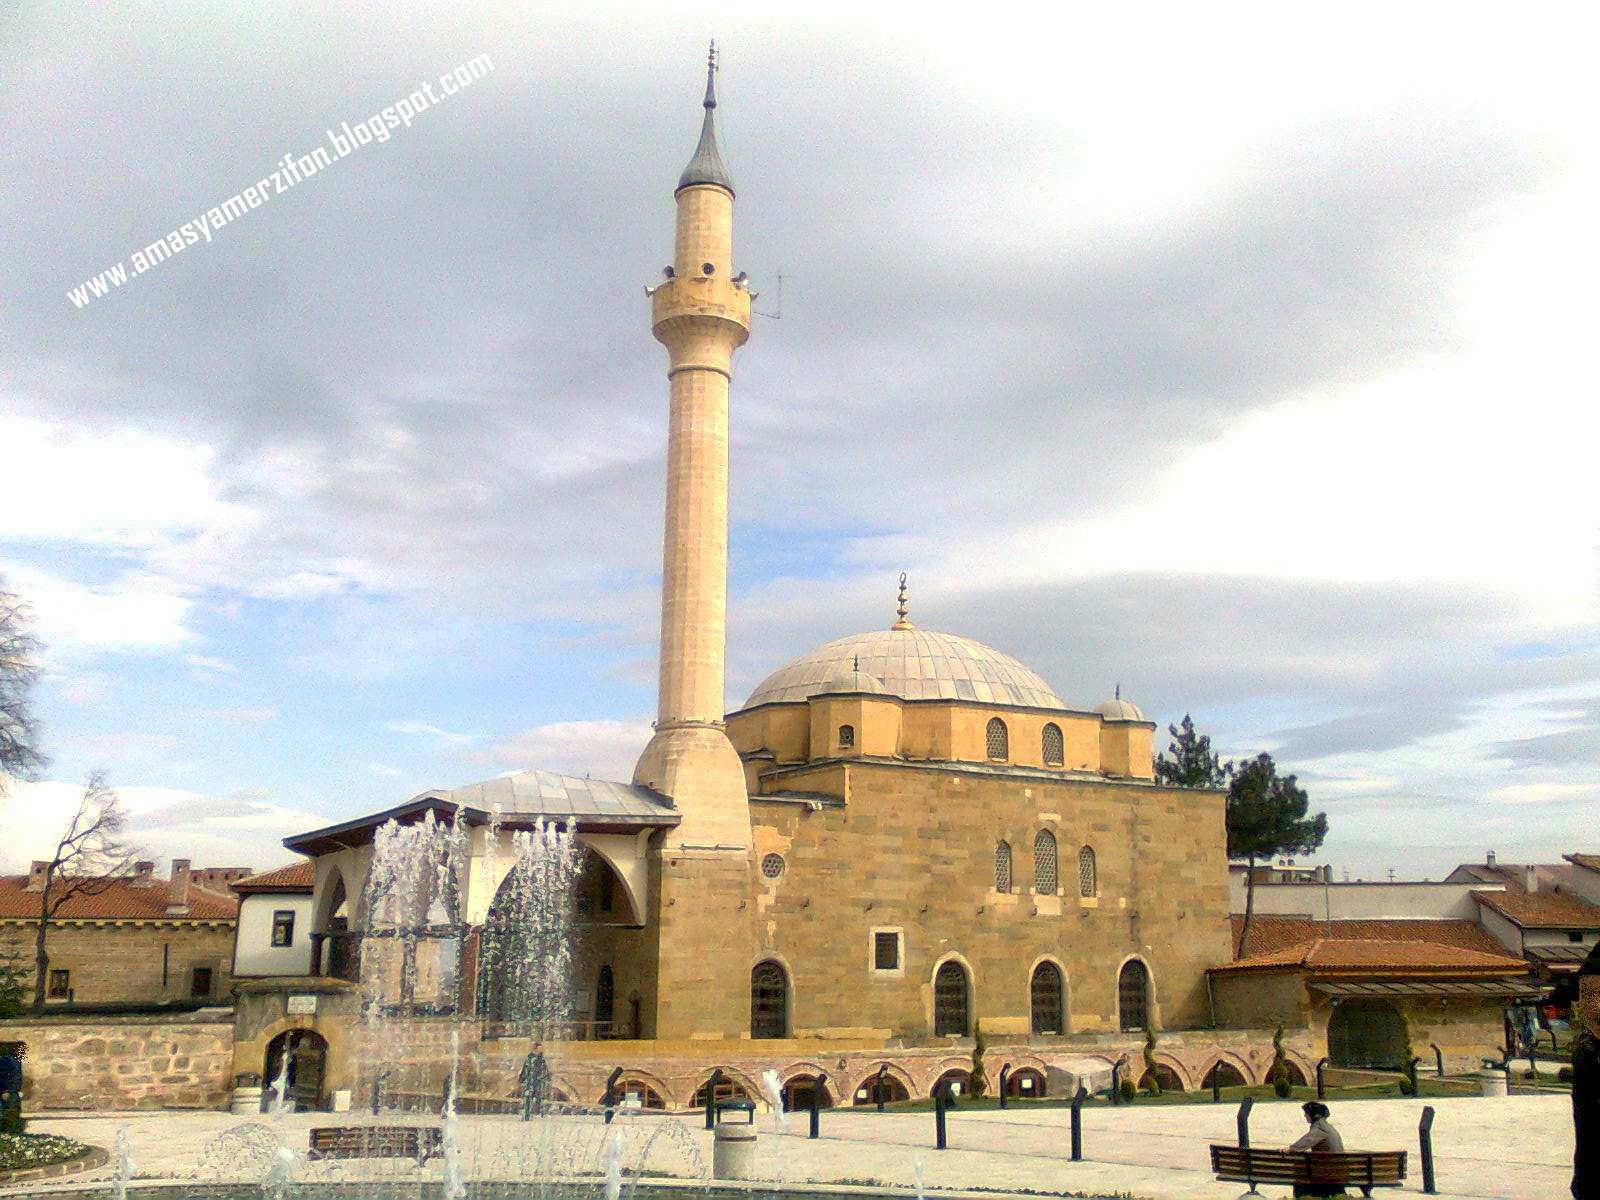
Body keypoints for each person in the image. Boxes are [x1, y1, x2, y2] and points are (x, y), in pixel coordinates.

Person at [1289, 1101, 1346, 1198]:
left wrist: (1290, 1149)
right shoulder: (1328, 1127)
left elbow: (1303, 1144)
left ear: (1312, 1115)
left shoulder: (1319, 1127)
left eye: (1306, 1113)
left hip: (1327, 1175)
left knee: (1300, 1178)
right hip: (1338, 1173)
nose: (1304, 1116)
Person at [518, 1041, 550, 1120]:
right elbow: (526, 1068)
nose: (541, 1050)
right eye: (540, 1048)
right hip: (530, 1081)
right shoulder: (530, 1058)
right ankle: (527, 1114)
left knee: (538, 1097)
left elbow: (544, 1069)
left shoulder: (541, 1059)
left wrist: (547, 1077)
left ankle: (536, 1113)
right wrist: (522, 1077)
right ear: (536, 1049)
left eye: (541, 1048)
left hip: (538, 1081)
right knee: (528, 1097)